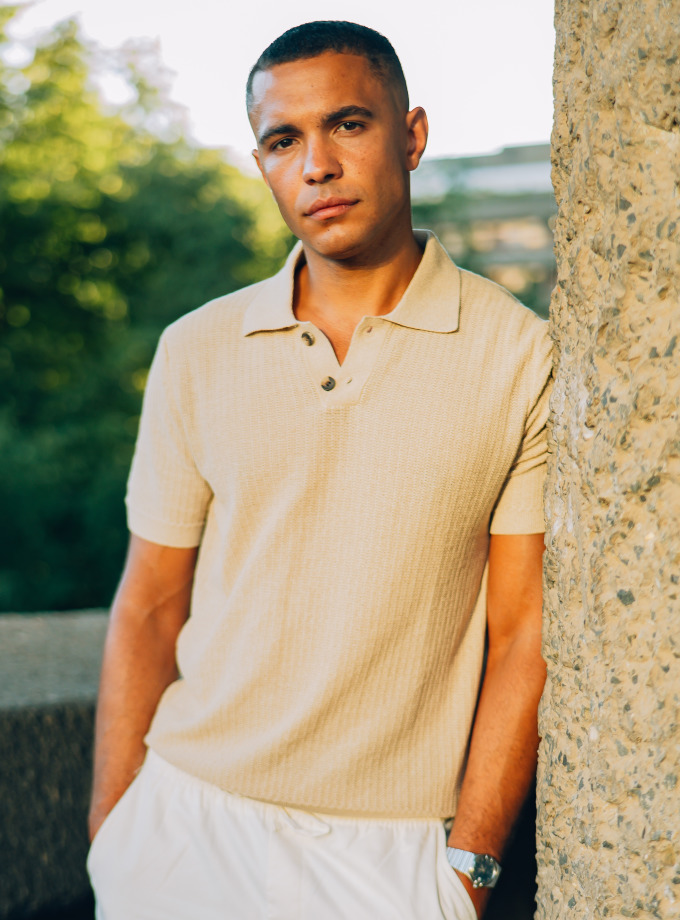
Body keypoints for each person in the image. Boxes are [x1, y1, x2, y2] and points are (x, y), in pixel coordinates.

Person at [87, 20, 552, 920]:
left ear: (411, 135)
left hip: (391, 860)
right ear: (261, 162)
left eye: (347, 124)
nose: (317, 166)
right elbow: (147, 603)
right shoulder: (196, 350)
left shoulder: (521, 357)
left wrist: (469, 870)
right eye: (282, 140)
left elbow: (523, 632)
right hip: (181, 831)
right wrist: (115, 830)